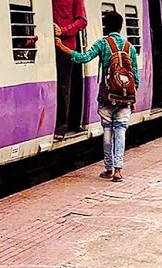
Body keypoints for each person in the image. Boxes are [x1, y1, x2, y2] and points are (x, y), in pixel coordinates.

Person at [56, 10, 138, 182]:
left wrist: (63, 47)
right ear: (121, 27)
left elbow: (83, 58)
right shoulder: (130, 47)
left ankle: (109, 169)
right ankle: (118, 170)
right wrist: (131, 98)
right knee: (120, 131)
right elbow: (135, 78)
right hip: (125, 97)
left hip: (107, 95)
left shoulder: (102, 43)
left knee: (108, 131)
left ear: (105, 27)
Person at [50, 0, 87, 138]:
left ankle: (62, 126)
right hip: (48, 47)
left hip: (66, 49)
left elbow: (82, 21)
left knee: (64, 87)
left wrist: (63, 30)